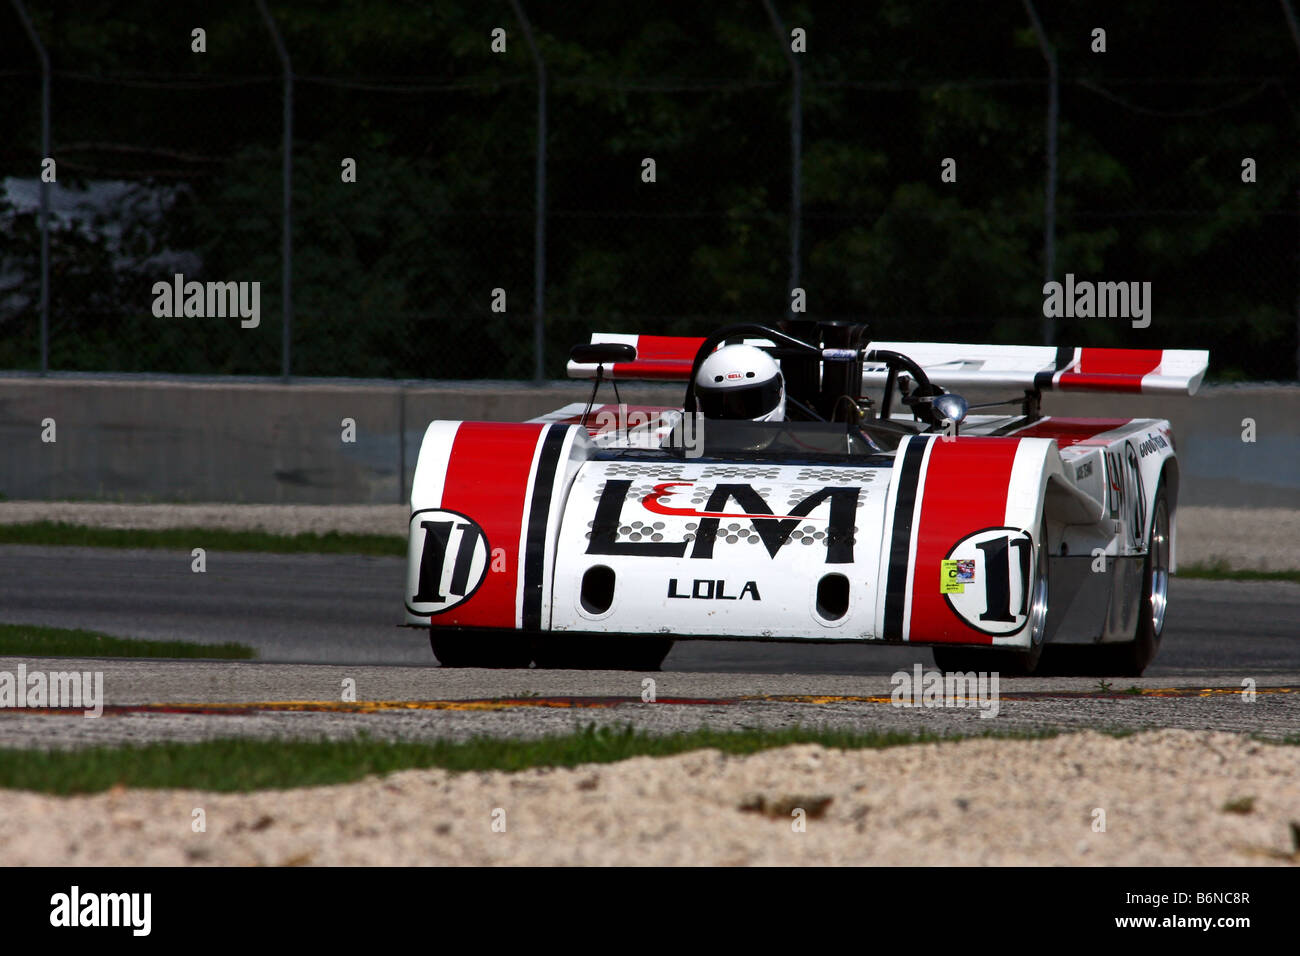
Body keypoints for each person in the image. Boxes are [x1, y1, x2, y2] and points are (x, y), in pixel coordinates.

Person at [693, 344, 785, 421]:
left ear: (779, 392)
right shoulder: (691, 435)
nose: (738, 410)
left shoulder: (797, 431)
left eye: (751, 402)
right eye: (726, 407)